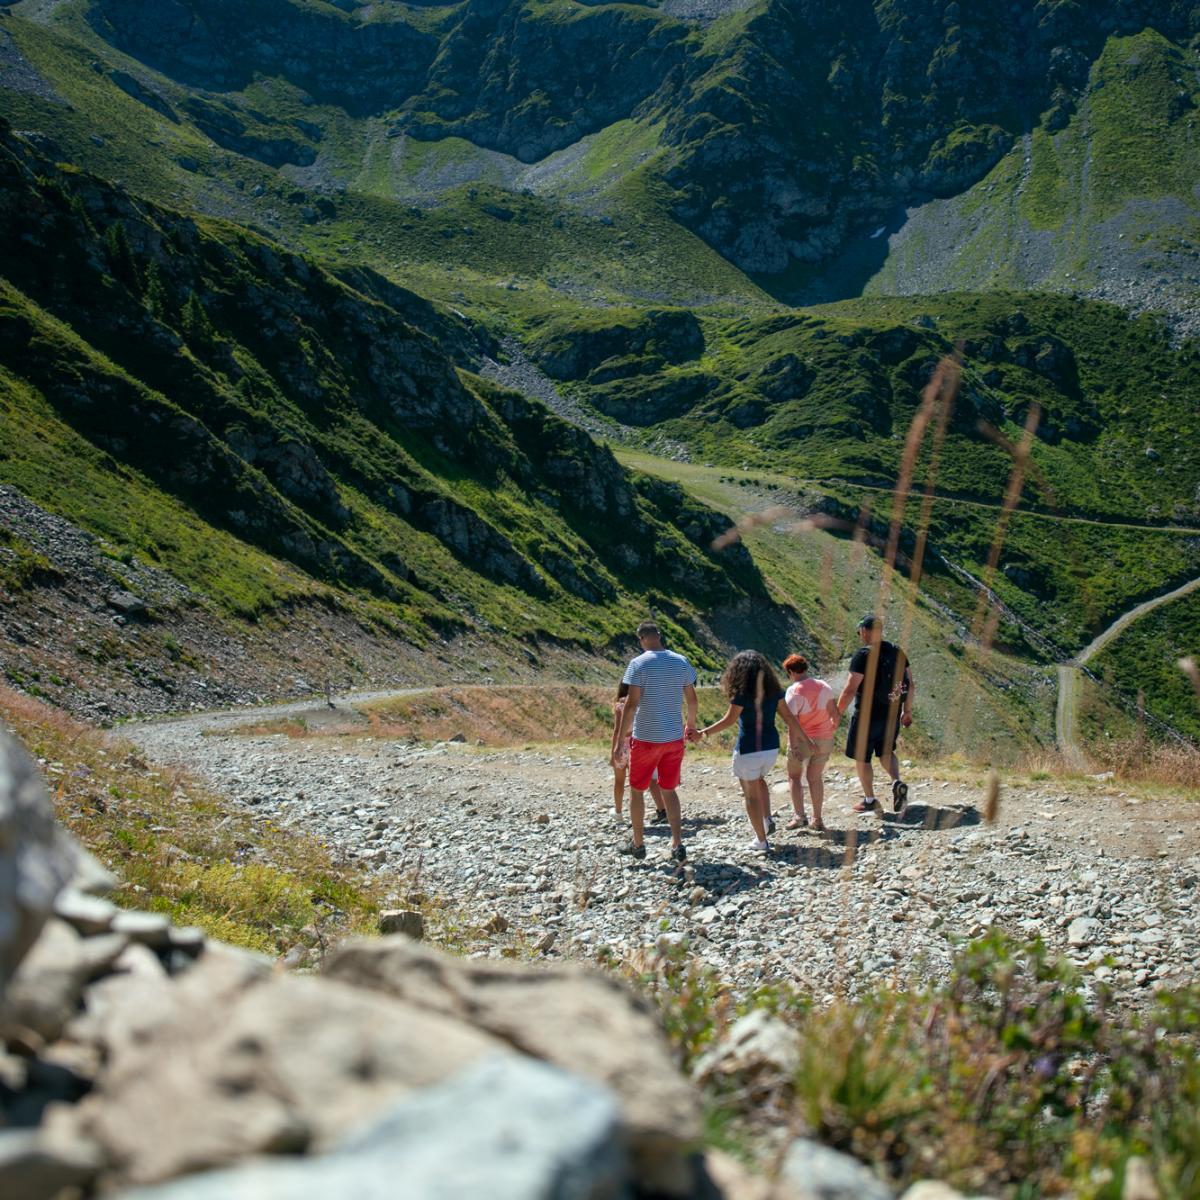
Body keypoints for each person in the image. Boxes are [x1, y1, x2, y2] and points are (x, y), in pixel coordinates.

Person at [697, 649, 811, 853]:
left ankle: (761, 840)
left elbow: (729, 721)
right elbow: (789, 718)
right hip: (771, 747)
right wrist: (806, 740)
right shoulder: (774, 691)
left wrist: (703, 733)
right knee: (759, 780)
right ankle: (766, 820)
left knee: (750, 795)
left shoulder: (742, 694)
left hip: (749, 748)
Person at [613, 621, 699, 863]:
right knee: (669, 790)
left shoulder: (638, 664)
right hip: (673, 738)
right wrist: (690, 725)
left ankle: (638, 844)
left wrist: (621, 740)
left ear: (641, 640)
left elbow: (631, 705)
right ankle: (677, 843)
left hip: (646, 738)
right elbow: (692, 700)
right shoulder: (681, 661)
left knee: (637, 790)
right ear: (659, 636)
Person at [836, 615, 914, 817]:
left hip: (866, 717)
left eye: (860, 631)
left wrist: (837, 713)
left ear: (865, 630)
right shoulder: (897, 651)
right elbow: (910, 684)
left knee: (862, 758)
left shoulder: (863, 655)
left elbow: (850, 688)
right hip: (892, 714)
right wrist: (907, 711)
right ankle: (896, 782)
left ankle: (870, 800)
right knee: (886, 752)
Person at [782, 653, 840, 832]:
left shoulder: (794, 690)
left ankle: (799, 816)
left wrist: (793, 746)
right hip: (824, 739)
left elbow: (793, 722)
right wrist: (829, 730)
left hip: (802, 740)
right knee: (815, 779)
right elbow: (835, 715)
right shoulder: (824, 686)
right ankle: (818, 819)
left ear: (791, 672)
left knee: (794, 777)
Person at [610, 683, 667, 824]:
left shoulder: (620, 705)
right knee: (635, 783)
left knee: (619, 780)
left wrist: (614, 750)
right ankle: (636, 814)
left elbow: (617, 730)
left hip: (622, 745)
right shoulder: (642, 703)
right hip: (638, 744)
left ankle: (618, 813)